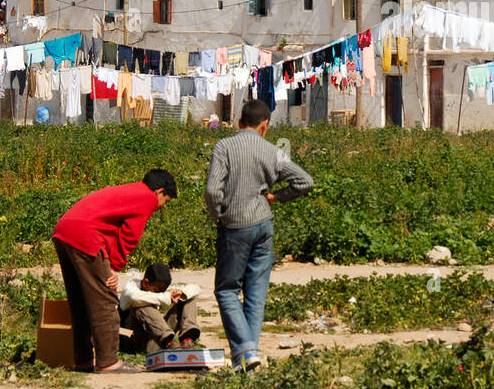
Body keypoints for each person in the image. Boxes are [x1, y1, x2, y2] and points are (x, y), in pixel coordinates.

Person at [205, 99, 314, 372]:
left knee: (227, 289)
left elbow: (211, 191)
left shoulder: (224, 146)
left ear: (240, 122)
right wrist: (277, 197)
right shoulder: (272, 151)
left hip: (234, 226)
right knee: (256, 292)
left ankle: (246, 351)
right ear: (265, 126)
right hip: (263, 225)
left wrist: (218, 214)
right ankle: (248, 358)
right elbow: (305, 181)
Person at [52, 169, 177, 373]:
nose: (162, 207)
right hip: (85, 236)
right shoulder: (147, 197)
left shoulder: (130, 190)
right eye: (166, 201)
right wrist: (113, 267)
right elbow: (130, 235)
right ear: (160, 191)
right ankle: (108, 361)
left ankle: (83, 359)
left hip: (64, 231)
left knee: (80, 301)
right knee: (106, 300)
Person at [119, 262, 202, 354]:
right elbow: (132, 297)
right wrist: (166, 297)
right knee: (141, 306)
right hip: (133, 340)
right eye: (158, 290)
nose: (160, 293)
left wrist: (181, 293)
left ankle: (187, 339)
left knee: (188, 297)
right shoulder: (131, 287)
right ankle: (168, 343)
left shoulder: (160, 287)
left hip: (156, 340)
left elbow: (196, 288)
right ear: (146, 282)